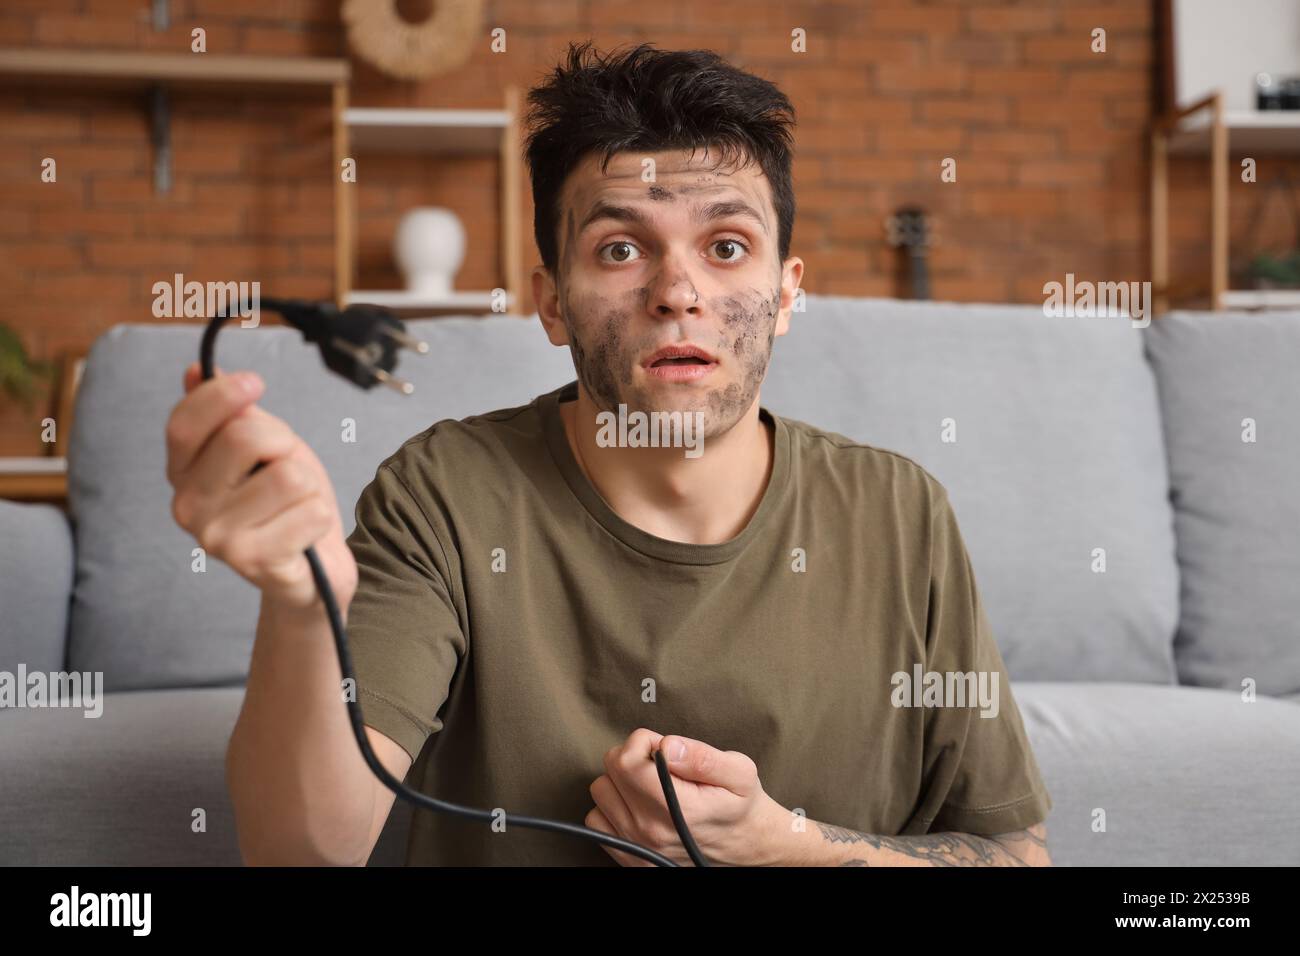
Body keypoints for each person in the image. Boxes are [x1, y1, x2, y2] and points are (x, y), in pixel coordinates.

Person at [166, 41, 1051, 866]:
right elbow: (305, 851)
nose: (678, 292)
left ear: (786, 295)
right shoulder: (442, 494)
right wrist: (296, 602)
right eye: (621, 248)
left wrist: (788, 847)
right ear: (552, 303)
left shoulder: (902, 511)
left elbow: (1018, 856)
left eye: (727, 246)